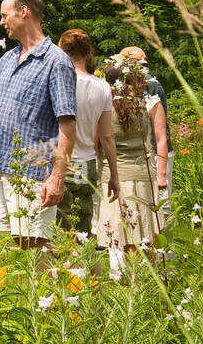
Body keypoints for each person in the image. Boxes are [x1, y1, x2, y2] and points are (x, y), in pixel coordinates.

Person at [0, 0, 77, 252]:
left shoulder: (56, 62)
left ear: (24, 12)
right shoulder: (7, 59)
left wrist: (57, 177)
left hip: (33, 172)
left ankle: (54, 291)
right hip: (0, 166)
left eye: (4, 15)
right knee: (9, 243)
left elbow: (67, 125)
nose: (1, 22)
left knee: (36, 245)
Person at [96, 56, 168, 278]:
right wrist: (162, 175)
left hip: (112, 177)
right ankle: (149, 280)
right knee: (145, 232)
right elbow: (161, 139)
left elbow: (95, 141)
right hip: (142, 175)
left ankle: (124, 280)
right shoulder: (150, 102)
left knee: (119, 233)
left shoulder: (103, 106)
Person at [57, 29, 120, 238]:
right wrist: (114, 176)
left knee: (60, 232)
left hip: (62, 163)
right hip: (88, 164)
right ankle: (87, 268)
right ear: (89, 54)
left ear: (61, 51)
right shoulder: (102, 87)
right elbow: (106, 136)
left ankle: (66, 270)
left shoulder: (59, 83)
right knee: (83, 231)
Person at [119, 46, 172, 225]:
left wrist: (161, 173)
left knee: (161, 203)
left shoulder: (151, 85)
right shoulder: (125, 86)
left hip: (158, 151)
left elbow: (161, 134)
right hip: (143, 151)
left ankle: (164, 247)